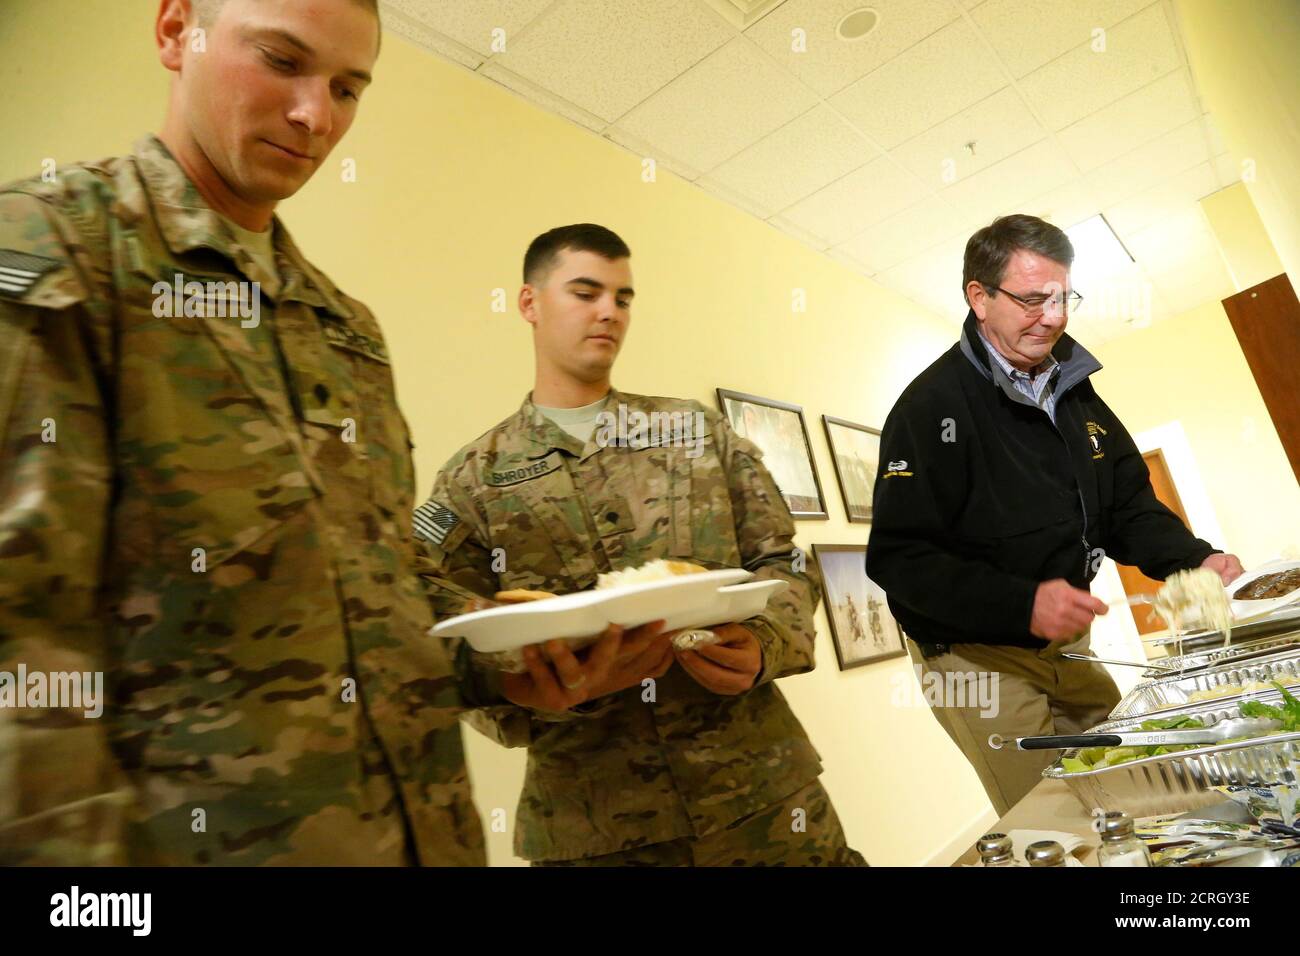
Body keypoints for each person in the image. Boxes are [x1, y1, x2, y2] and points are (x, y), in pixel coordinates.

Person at [0, 0, 484, 864]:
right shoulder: (58, 247)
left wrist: (514, 655)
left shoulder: (347, 327)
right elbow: (22, 650)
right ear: (174, 32)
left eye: (347, 88)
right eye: (281, 61)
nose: (315, 116)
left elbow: (389, 585)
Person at [416, 223, 864, 866]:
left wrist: (766, 643)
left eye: (622, 298)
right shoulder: (471, 480)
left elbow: (784, 559)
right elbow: (446, 634)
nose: (609, 311)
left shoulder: (696, 432)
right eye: (585, 292)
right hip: (594, 825)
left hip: (763, 794)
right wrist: (539, 691)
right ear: (529, 303)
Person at [866, 214, 1245, 816]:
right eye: (1032, 299)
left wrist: (1193, 559)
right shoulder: (929, 408)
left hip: (1067, 647)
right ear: (979, 298)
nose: (1053, 316)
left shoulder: (1073, 387)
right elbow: (900, 560)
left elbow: (1126, 506)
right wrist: (1022, 603)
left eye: (1063, 297)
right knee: (1054, 816)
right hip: (978, 659)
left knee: (1134, 783)